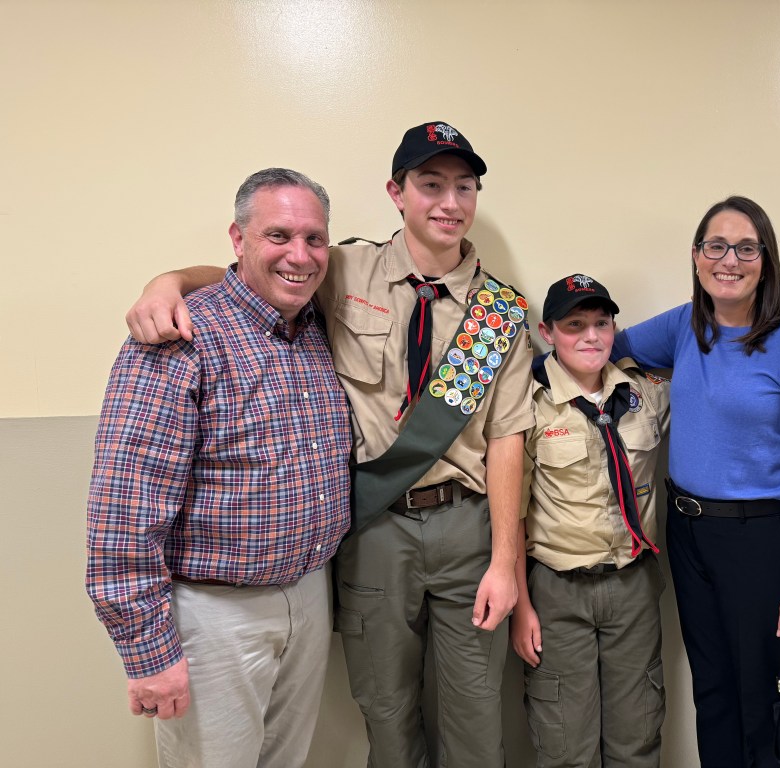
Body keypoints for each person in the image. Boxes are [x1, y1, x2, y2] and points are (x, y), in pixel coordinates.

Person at [123, 122, 535, 768]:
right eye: (431, 185)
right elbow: (245, 276)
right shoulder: (340, 266)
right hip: (373, 530)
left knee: (475, 715)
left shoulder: (502, 312)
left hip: (467, 529)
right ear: (397, 192)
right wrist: (167, 281)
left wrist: (506, 562)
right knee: (386, 713)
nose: (449, 203)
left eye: (464, 187)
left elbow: (509, 437)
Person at [86, 168, 353, 768]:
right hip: (215, 614)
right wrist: (148, 653)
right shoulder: (180, 335)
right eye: (278, 235)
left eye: (314, 239)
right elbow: (124, 509)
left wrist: (172, 275)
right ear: (237, 238)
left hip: (310, 594)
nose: (300, 255)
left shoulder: (314, 324)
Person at [613, 196, 780, 767]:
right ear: (696, 257)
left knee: (763, 701)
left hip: (762, 541)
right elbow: (600, 347)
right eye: (716, 246)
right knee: (712, 692)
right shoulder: (684, 328)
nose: (730, 260)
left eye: (746, 248)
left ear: (765, 260)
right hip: (689, 536)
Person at [511, 274, 670, 767]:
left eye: (602, 323)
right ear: (548, 331)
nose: (591, 336)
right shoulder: (528, 403)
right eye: (574, 324)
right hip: (559, 591)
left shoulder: (645, 393)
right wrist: (522, 608)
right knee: (563, 741)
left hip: (633, 586)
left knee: (637, 733)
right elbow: (511, 516)